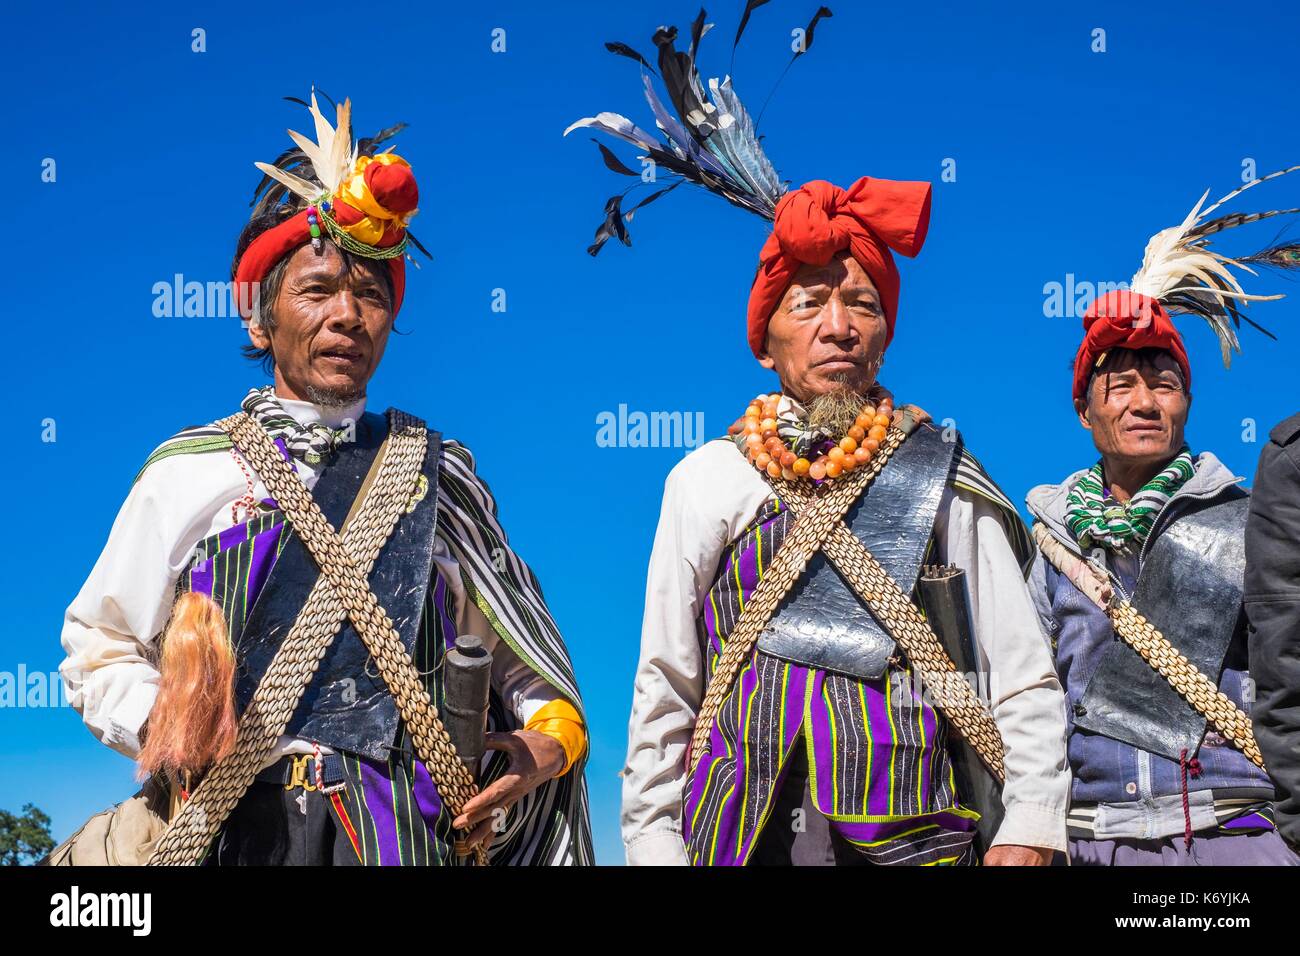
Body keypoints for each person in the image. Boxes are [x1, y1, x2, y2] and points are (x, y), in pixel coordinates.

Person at [569, 5, 1070, 866]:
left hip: (916, 833)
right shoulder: (706, 478)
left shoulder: (943, 472)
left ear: (884, 333)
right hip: (740, 835)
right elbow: (666, 683)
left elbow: (1021, 669)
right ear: (766, 340)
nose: (838, 326)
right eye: (809, 305)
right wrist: (651, 842)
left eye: (863, 304)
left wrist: (1028, 828)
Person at [59, 92, 592, 865]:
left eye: (371, 295)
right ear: (258, 319)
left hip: (403, 836)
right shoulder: (190, 472)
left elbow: (526, 672)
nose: (348, 313)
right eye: (316, 290)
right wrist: (168, 725)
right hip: (231, 829)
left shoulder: (438, 478)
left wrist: (539, 750)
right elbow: (98, 642)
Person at [1026, 170, 1300, 865]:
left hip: (1239, 832)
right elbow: (1027, 698)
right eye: (1119, 386)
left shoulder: (1250, 519)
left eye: (1165, 383)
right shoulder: (1050, 545)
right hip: (1095, 840)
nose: (1144, 402)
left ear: (1186, 405)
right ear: (1086, 414)